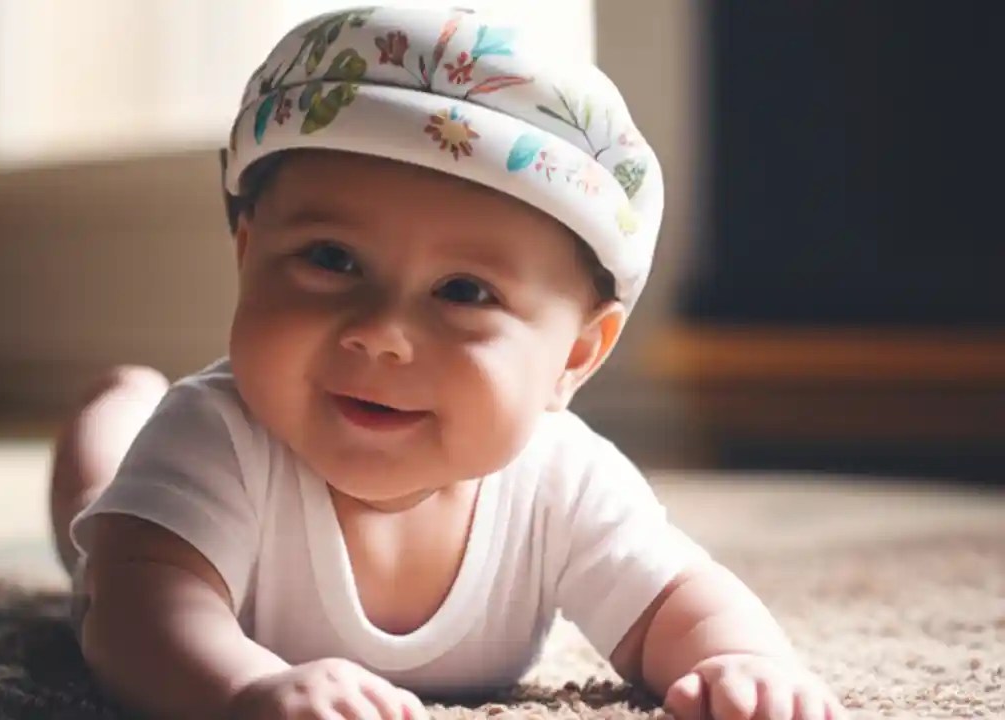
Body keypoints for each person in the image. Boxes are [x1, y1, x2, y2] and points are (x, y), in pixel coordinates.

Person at [49, 6, 850, 719]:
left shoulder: (562, 480)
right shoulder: (217, 433)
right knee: (104, 514)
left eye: (464, 290)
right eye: (331, 257)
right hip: (140, 540)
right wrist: (242, 688)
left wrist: (742, 664)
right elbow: (138, 614)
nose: (383, 334)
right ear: (248, 252)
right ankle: (120, 404)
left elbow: (676, 600)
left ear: (574, 355)